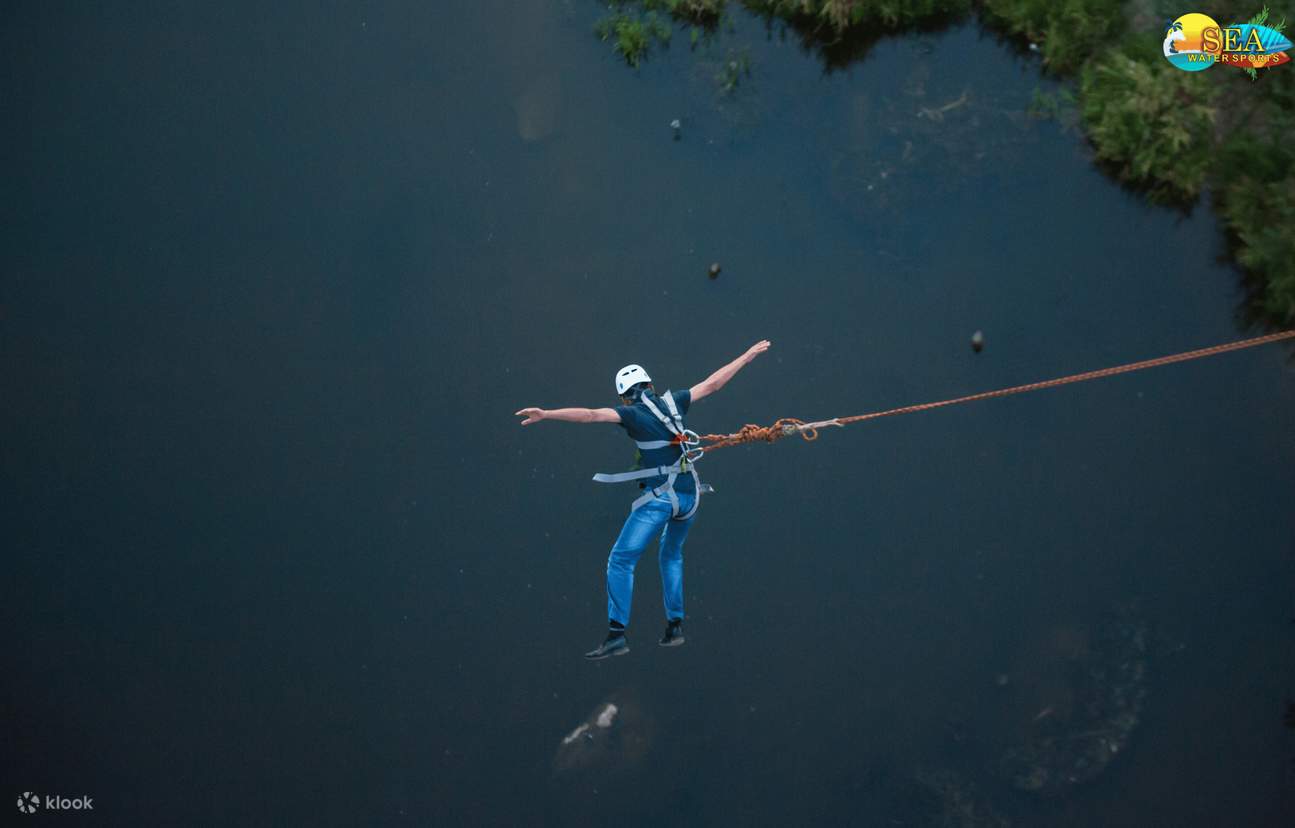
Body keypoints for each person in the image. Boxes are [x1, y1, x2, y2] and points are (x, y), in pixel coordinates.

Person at [515, 340, 771, 659]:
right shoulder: (675, 402)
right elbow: (712, 384)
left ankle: (616, 634)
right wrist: (746, 357)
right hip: (690, 497)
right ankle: (675, 626)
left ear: (624, 396)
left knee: (621, 560)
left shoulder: (631, 414)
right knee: (671, 554)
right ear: (650, 385)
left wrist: (547, 414)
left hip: (661, 500)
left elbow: (590, 415)